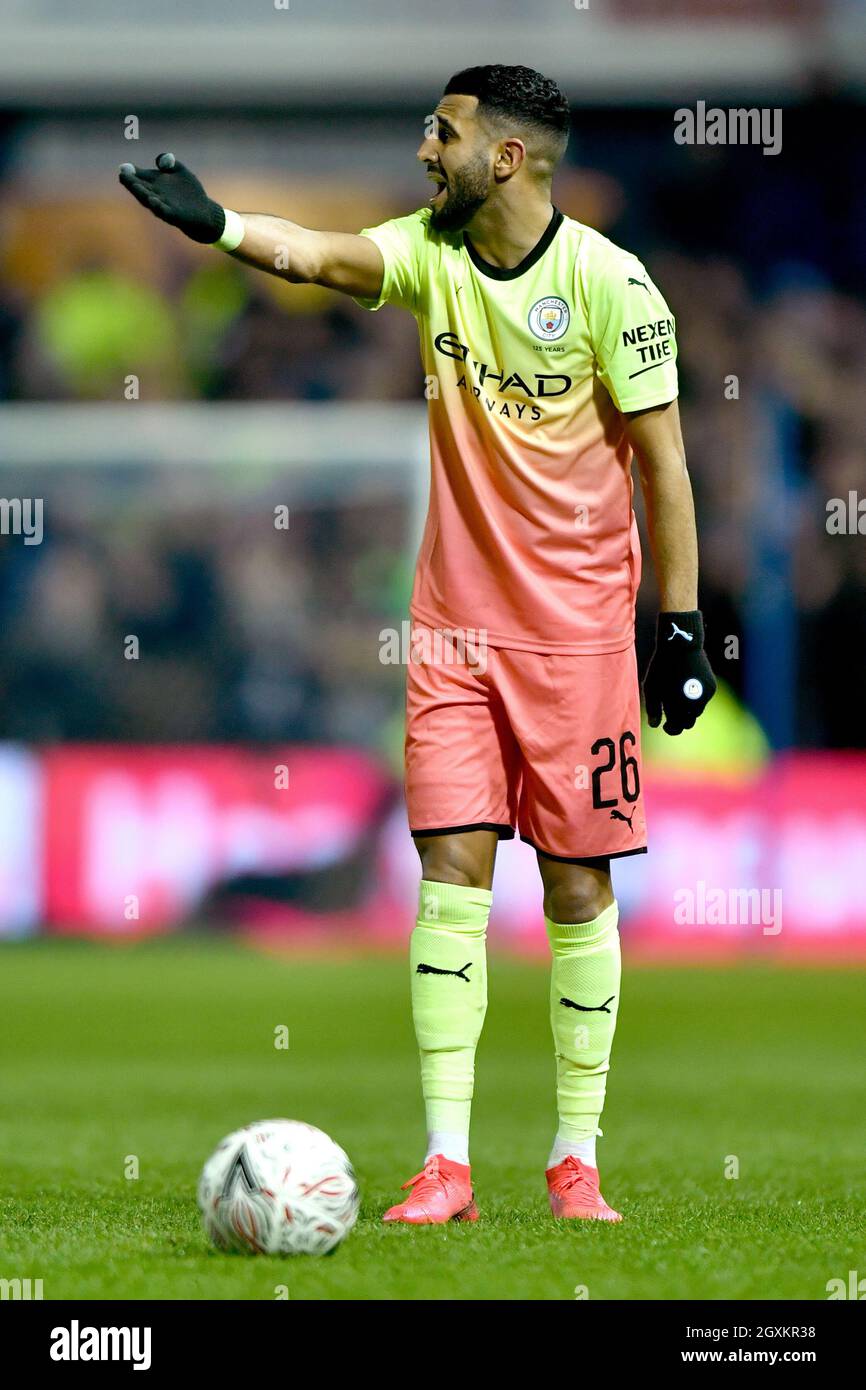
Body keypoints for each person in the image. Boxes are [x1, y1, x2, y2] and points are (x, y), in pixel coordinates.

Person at [120, 63, 716, 1225]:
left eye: (438, 134)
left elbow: (666, 464)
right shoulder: (430, 257)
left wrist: (680, 624)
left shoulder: (612, 285)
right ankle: (445, 1164)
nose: (419, 151)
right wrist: (223, 225)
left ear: (505, 154)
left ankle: (573, 1161)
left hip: (578, 641)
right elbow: (318, 255)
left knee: (576, 885)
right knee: (448, 876)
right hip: (450, 634)